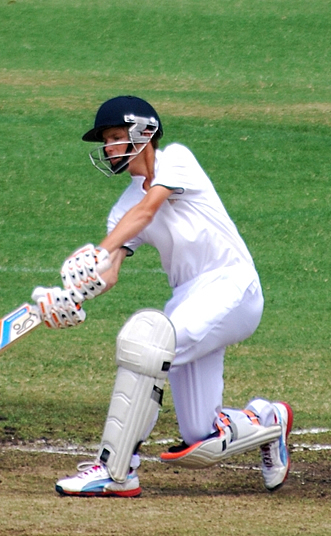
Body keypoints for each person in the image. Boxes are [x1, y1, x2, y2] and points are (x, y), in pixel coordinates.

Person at [31, 95, 292, 497]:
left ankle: (116, 470)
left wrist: (98, 250)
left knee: (148, 346)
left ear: (144, 132)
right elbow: (110, 271)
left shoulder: (176, 160)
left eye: (117, 136)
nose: (109, 147)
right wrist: (70, 296)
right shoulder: (121, 210)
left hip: (233, 286)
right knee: (200, 436)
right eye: (106, 140)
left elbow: (148, 210)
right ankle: (268, 419)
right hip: (190, 299)